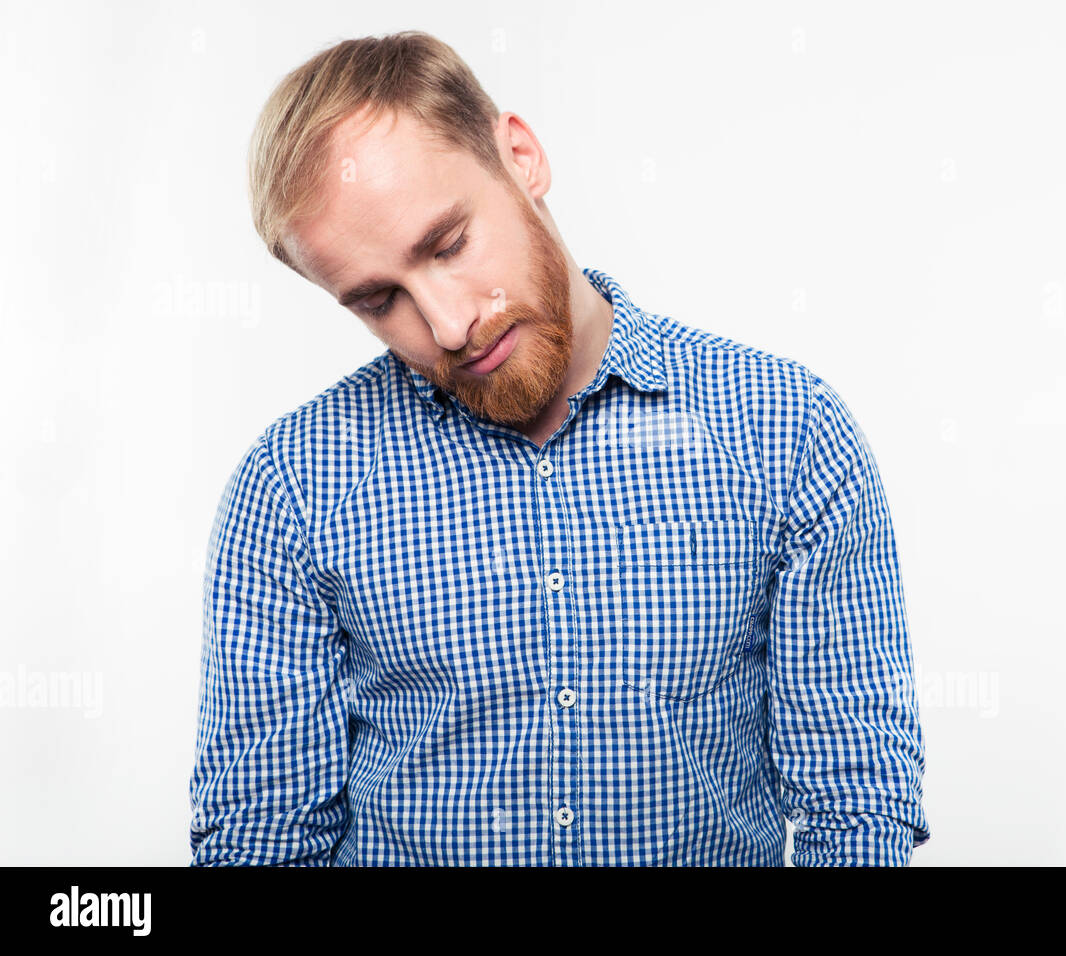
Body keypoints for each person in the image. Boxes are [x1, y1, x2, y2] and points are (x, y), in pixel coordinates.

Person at [189, 29, 931, 866]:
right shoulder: (290, 488)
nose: (448, 324)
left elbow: (858, 808)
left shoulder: (785, 432)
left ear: (521, 157)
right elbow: (260, 841)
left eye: (449, 244)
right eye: (378, 299)